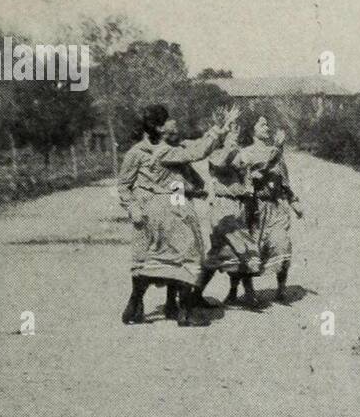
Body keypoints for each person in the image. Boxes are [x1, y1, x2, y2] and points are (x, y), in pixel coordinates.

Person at [118, 104, 237, 327]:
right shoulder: (155, 151)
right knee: (186, 253)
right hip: (160, 207)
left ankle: (152, 306)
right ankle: (182, 312)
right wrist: (219, 129)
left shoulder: (158, 149)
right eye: (168, 120)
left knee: (160, 255)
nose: (173, 123)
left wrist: (191, 189)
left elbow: (180, 173)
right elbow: (197, 152)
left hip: (161, 203)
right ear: (159, 128)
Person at [200, 111, 266, 308]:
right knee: (239, 247)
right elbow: (221, 163)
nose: (235, 129)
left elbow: (245, 170)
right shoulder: (215, 149)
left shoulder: (235, 149)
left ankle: (239, 293)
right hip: (223, 205)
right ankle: (195, 293)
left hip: (238, 204)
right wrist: (229, 139)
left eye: (237, 126)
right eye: (232, 126)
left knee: (227, 252)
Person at [235, 114, 303, 305]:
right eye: (262, 124)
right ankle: (249, 291)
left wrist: (293, 201)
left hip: (276, 208)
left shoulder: (277, 154)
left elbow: (284, 182)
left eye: (267, 124)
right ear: (252, 130)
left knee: (282, 242)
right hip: (255, 207)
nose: (267, 127)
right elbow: (256, 175)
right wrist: (277, 150)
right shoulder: (246, 153)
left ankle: (281, 289)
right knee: (251, 249)